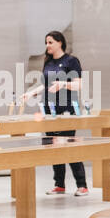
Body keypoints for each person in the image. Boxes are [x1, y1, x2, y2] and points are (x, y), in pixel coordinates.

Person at [29, 30, 88, 195]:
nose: (47, 46)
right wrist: (31, 93)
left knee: (69, 145)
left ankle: (82, 185)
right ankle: (59, 184)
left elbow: (79, 85)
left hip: (67, 109)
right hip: (49, 110)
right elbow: (45, 85)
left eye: (50, 42)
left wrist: (63, 84)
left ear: (60, 43)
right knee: (53, 146)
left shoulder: (71, 61)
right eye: (46, 42)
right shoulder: (48, 63)